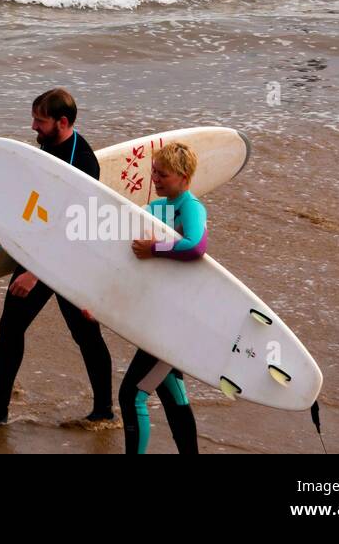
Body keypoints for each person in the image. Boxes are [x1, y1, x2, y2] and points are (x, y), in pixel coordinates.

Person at [0, 89, 115, 428]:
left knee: (85, 334)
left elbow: (72, 228)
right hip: (39, 252)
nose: (32, 127)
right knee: (12, 326)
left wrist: (33, 273)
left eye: (39, 121)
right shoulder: (47, 149)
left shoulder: (83, 162)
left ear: (62, 121)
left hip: (70, 260)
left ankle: (104, 412)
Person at [120, 141, 206, 454]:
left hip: (175, 321)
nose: (155, 179)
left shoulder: (191, 207)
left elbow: (196, 246)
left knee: (132, 395)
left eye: (163, 175)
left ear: (184, 177)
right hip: (160, 315)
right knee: (173, 394)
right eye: (154, 172)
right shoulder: (158, 208)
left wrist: (155, 248)